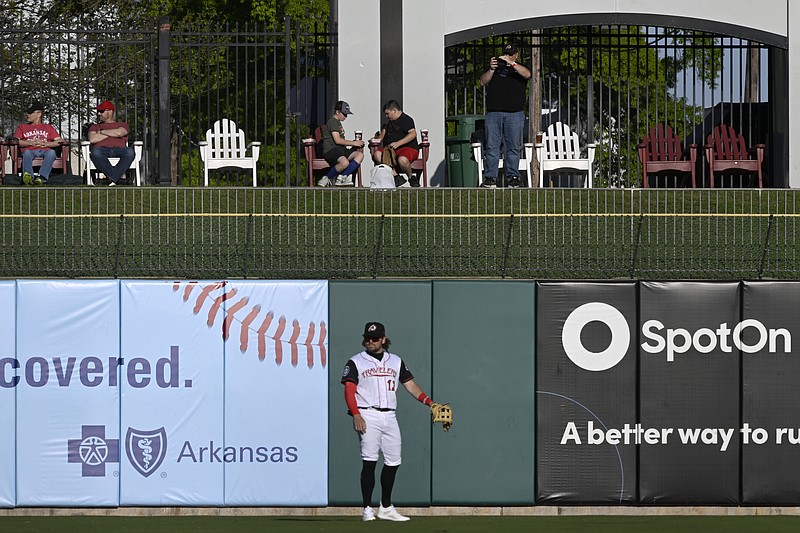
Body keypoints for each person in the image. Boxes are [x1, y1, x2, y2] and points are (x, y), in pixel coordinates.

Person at [341, 322, 435, 522]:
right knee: (369, 461)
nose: (371, 341)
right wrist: (356, 414)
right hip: (367, 413)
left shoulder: (395, 361)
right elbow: (349, 389)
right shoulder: (356, 361)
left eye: (375, 338)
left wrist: (429, 402)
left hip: (390, 415)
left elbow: (410, 384)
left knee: (393, 461)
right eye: (367, 338)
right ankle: (367, 508)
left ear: (383, 339)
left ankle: (385, 507)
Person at [479, 43, 531, 188]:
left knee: (513, 146)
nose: (507, 57)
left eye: (510, 54)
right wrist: (491, 69)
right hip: (494, 113)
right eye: (505, 54)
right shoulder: (495, 69)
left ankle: (513, 177)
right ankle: (490, 178)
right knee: (492, 146)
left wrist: (512, 64)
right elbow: (483, 82)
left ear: (516, 56)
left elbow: (528, 74)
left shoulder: (519, 69)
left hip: (515, 114)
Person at [371, 100, 420, 187]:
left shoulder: (406, 120)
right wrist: (374, 139)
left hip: (408, 148)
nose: (386, 116)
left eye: (388, 113)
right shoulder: (387, 124)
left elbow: (413, 134)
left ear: (394, 110)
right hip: (390, 150)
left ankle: (411, 177)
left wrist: (398, 143)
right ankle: (395, 175)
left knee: (402, 159)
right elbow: (380, 138)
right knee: (377, 155)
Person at [14, 101, 64, 185]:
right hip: (30, 150)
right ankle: (28, 176)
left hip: (45, 150)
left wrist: (46, 144)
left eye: (30, 113)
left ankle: (42, 177)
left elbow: (60, 141)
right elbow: (16, 141)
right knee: (27, 153)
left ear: (39, 114)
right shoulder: (22, 127)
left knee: (51, 152)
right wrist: (31, 143)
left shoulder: (47, 127)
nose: (28, 115)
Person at [87, 100, 136, 186]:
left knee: (130, 152)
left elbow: (120, 133)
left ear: (110, 112)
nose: (98, 114)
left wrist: (101, 132)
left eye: (101, 111)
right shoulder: (94, 126)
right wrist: (112, 133)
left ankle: (110, 179)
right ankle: (117, 179)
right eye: (98, 111)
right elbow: (93, 139)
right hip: (101, 150)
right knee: (96, 152)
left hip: (120, 149)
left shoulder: (122, 124)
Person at [318, 100, 365, 187]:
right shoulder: (333, 121)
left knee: (359, 155)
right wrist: (353, 143)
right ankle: (326, 178)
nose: (346, 116)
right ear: (337, 112)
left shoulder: (338, 122)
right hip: (331, 149)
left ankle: (343, 177)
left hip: (341, 150)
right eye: (344, 114)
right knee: (344, 162)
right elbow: (338, 140)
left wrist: (354, 143)